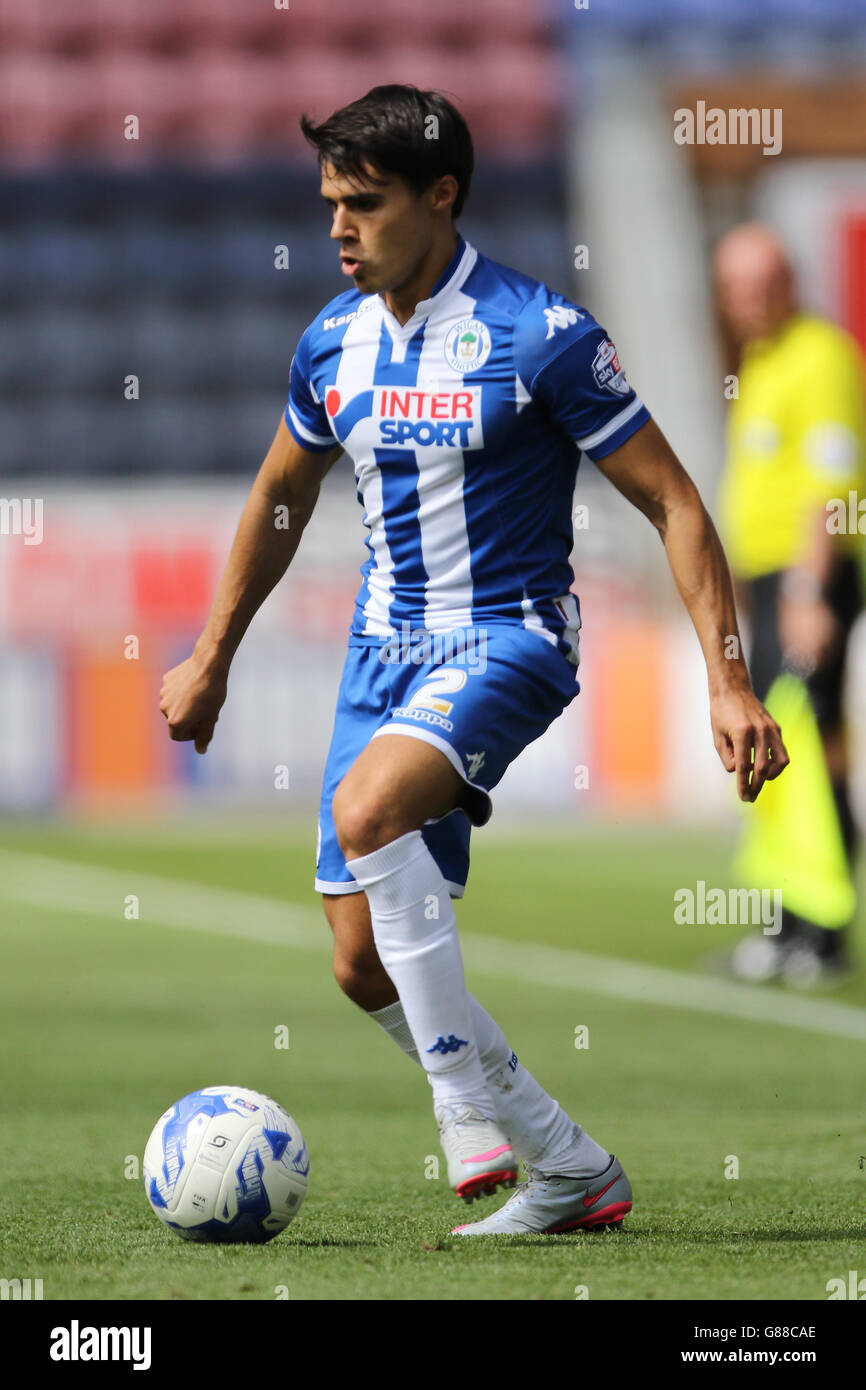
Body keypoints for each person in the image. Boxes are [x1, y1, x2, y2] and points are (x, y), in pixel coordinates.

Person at [160, 86, 787, 1236]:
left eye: (365, 203)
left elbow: (675, 503)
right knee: (359, 964)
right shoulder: (329, 341)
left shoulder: (540, 336)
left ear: (440, 196)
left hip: (507, 635)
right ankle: (570, 1166)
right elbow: (280, 496)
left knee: (364, 807)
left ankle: (462, 1108)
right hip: (376, 656)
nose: (338, 228)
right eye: (329, 205)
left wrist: (729, 677)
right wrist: (212, 656)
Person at [714, 223, 865, 985]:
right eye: (734, 288)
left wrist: (808, 590)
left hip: (811, 578)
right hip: (770, 584)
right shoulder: (761, 362)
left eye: (759, 285)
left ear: (790, 280)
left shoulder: (822, 356)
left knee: (816, 742)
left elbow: (829, 484)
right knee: (773, 750)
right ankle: (782, 921)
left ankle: (824, 932)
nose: (746, 302)